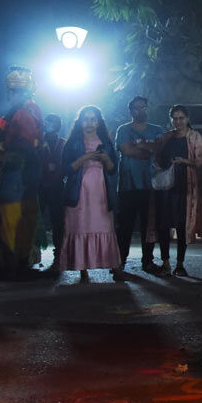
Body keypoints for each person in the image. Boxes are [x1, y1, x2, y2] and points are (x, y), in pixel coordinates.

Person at [0, 66, 45, 279]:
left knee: (14, 214)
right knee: (16, 214)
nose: (9, 95)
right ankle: (16, 262)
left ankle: (15, 264)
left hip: (20, 170)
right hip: (20, 169)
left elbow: (27, 143)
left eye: (11, 91)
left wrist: (1, 147)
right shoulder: (21, 109)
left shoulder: (25, 110)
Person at [59, 106, 122, 283]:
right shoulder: (73, 143)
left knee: (104, 227)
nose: (89, 123)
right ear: (80, 122)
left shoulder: (106, 142)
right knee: (80, 227)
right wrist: (84, 158)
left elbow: (112, 169)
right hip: (78, 193)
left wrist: (106, 159)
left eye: (93, 119)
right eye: (85, 119)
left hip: (101, 192)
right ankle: (83, 269)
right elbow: (65, 169)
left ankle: (114, 266)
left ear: (98, 122)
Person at [114, 96, 165, 274]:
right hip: (128, 185)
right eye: (136, 108)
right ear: (130, 111)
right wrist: (147, 147)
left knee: (149, 225)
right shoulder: (123, 129)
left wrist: (142, 146)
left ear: (148, 109)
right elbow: (127, 150)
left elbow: (160, 149)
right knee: (125, 226)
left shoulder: (158, 129)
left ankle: (148, 261)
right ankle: (120, 261)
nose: (140, 111)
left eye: (143, 107)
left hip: (151, 185)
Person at [153, 105, 202, 277]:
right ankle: (165, 262)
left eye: (181, 118)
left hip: (185, 185)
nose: (178, 121)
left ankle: (180, 263)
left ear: (187, 118)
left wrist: (183, 161)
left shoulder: (194, 136)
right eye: (175, 118)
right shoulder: (167, 137)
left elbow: (199, 162)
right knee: (163, 225)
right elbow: (157, 158)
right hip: (166, 186)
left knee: (182, 225)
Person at [38, 115, 66, 274]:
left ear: (58, 126)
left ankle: (59, 254)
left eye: (52, 122)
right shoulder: (38, 142)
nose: (48, 125)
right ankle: (32, 254)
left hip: (57, 187)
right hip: (40, 186)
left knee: (58, 222)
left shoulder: (63, 143)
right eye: (46, 122)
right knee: (36, 220)